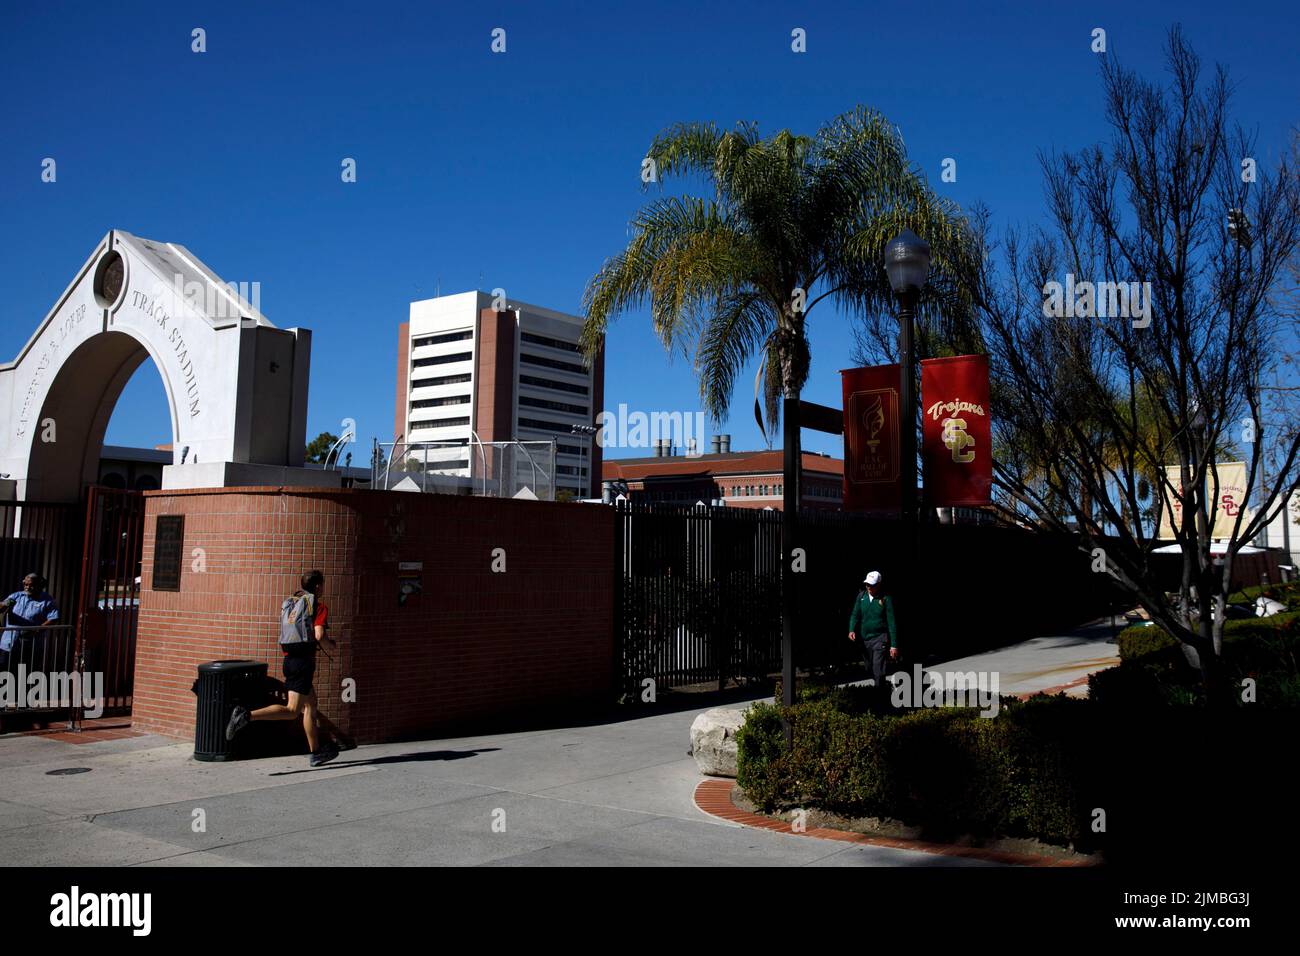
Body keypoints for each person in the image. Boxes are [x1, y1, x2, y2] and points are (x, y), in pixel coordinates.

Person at [224, 570, 354, 766]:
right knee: (293, 710)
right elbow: (319, 636)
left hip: (290, 659)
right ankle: (246, 715)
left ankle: (316, 752)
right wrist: (331, 645)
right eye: (323, 585)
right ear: (318, 586)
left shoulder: (292, 603)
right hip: (303, 663)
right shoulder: (317, 606)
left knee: (311, 704)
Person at [847, 570, 898, 703]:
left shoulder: (885, 599)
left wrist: (893, 645)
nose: (869, 587)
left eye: (872, 584)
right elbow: (854, 615)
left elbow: (891, 622)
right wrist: (851, 629)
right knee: (870, 668)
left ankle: (880, 699)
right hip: (865, 639)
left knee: (878, 669)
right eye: (867, 584)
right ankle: (884, 690)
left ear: (878, 584)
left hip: (880, 638)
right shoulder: (861, 597)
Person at [0, 572, 60, 676]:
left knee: (24, 676)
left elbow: (54, 618)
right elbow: (1, 608)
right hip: (9, 643)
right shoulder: (17, 596)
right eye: (25, 584)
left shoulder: (47, 600)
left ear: (40, 586)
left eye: (31, 585)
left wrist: (36, 630)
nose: (27, 587)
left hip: (31, 646)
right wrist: (4, 604)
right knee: (4, 674)